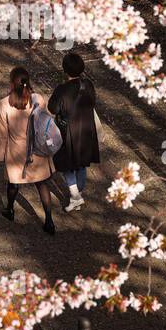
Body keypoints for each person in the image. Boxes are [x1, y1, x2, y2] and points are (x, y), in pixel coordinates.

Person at [0, 65, 56, 234]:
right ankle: (49, 220)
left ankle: (10, 209)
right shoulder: (38, 99)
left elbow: (2, 134)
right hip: (37, 150)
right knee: (42, 184)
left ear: (11, 84)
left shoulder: (4, 105)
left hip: (16, 152)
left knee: (13, 183)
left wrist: (1, 155)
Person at [47, 51, 100, 211]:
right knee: (81, 164)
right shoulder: (88, 85)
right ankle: (77, 194)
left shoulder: (62, 90)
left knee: (67, 166)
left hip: (68, 133)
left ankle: (76, 196)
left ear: (65, 70)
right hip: (86, 130)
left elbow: (52, 109)